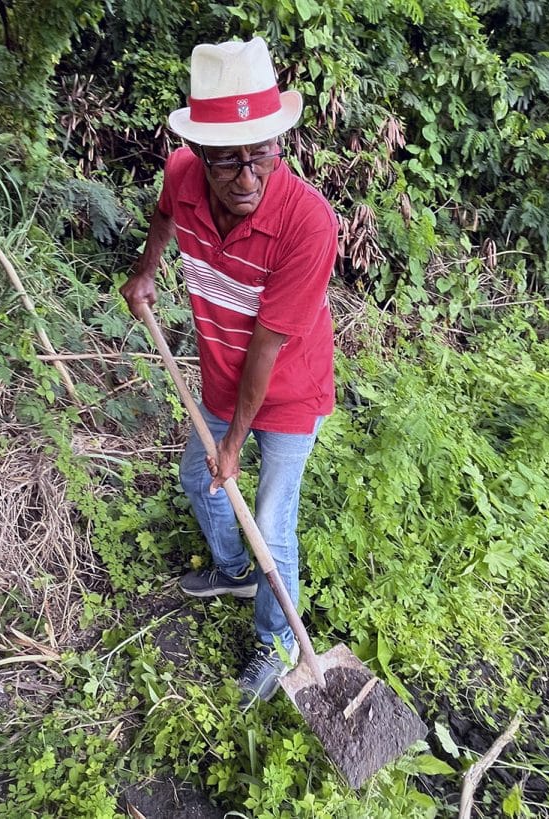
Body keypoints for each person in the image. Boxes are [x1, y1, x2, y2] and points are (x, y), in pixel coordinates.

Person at [120, 36, 338, 707]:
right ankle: (235, 571)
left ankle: (275, 643)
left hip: (289, 393)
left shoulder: (308, 224)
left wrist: (234, 446)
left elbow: (265, 354)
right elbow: (164, 214)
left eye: (261, 158)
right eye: (229, 164)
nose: (247, 179)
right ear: (203, 156)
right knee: (197, 476)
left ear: (278, 146)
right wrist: (146, 270)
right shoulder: (183, 174)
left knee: (271, 519)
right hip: (220, 380)